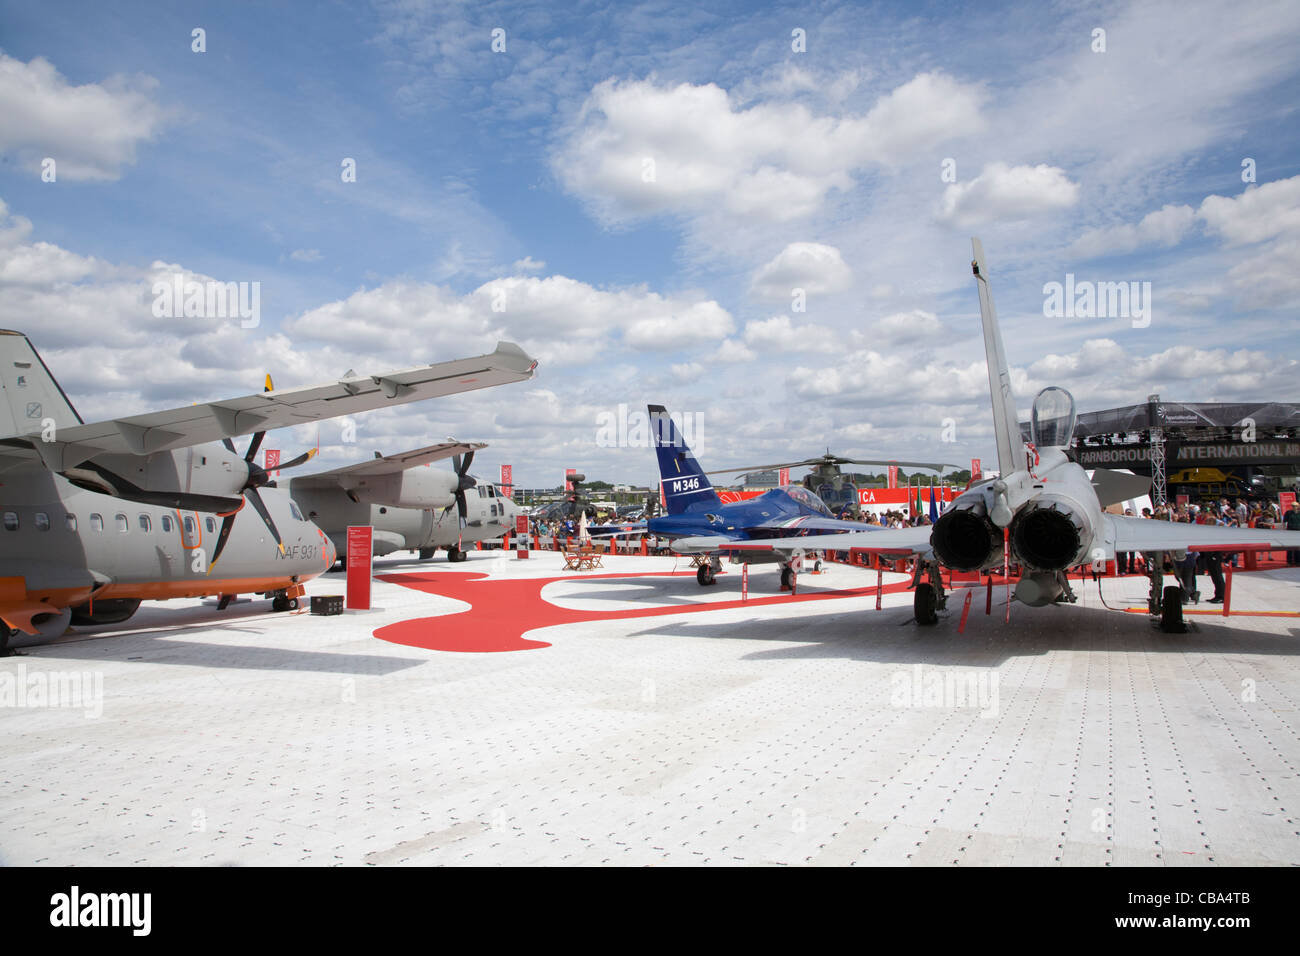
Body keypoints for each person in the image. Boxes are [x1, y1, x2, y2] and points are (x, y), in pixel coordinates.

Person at [1285, 501, 1300, 566]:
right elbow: (1285, 521)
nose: (1294, 507)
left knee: (1298, 547)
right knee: (1290, 547)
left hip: (1298, 531)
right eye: (1293, 506)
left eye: (1295, 506)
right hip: (1290, 531)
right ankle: (1289, 561)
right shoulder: (1288, 513)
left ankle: (1298, 561)